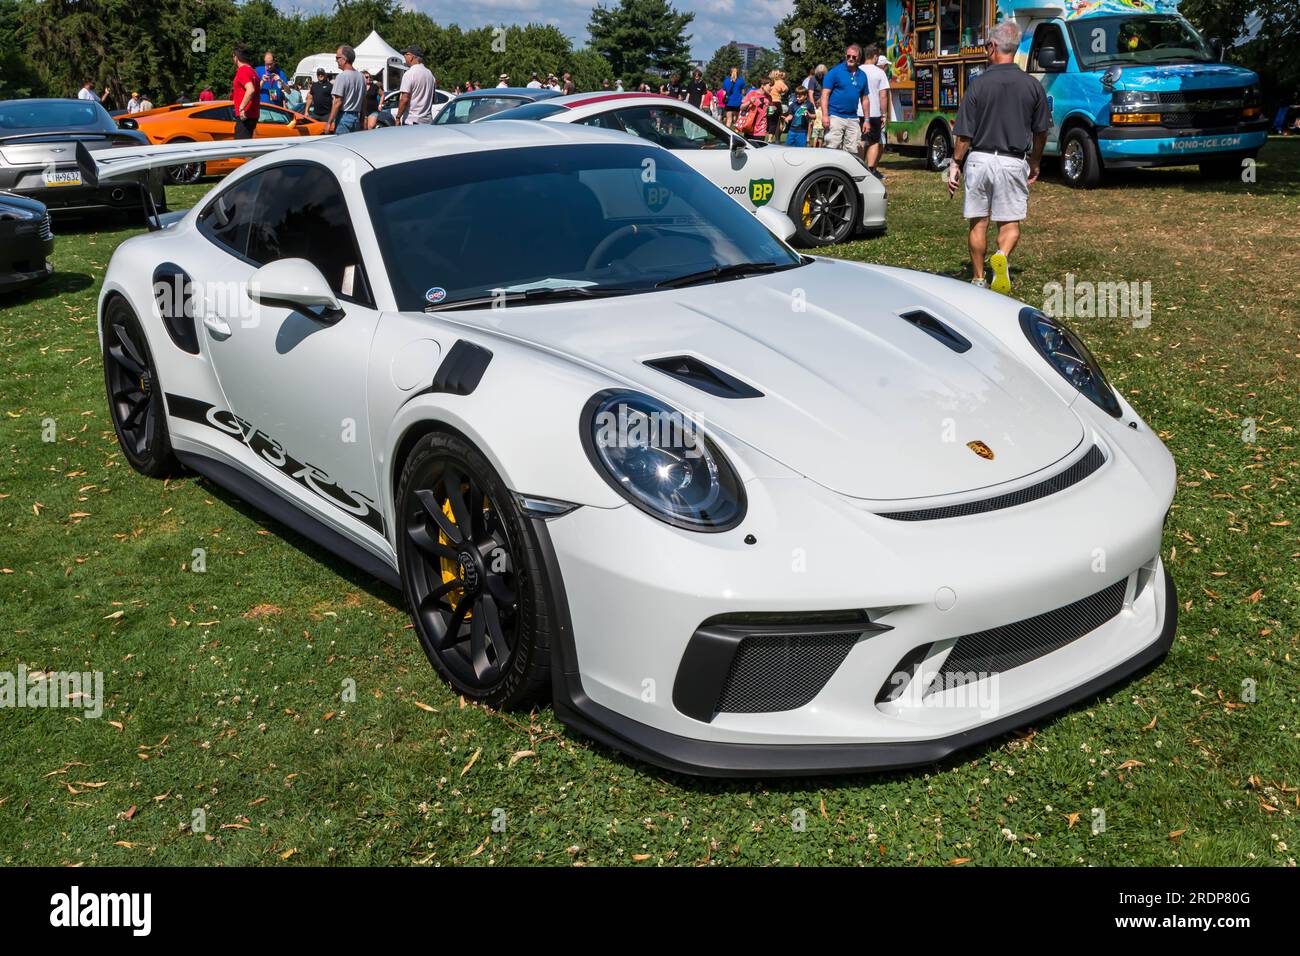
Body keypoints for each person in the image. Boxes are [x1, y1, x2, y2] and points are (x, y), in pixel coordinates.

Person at [947, 20, 1050, 293]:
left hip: (980, 158)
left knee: (978, 222)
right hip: (1012, 160)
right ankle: (1001, 257)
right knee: (1010, 223)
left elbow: (964, 137)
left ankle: (979, 278)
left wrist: (955, 163)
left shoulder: (977, 85)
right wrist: (1036, 161)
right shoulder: (1033, 86)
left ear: (992, 47)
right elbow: (1041, 132)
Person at [820, 44, 868, 154]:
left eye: (854, 57)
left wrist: (867, 120)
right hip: (835, 116)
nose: (851, 59)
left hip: (853, 118)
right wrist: (825, 116)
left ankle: (848, 171)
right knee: (832, 148)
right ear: (845, 56)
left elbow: (865, 99)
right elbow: (825, 95)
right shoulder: (834, 72)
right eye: (848, 56)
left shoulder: (862, 75)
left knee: (853, 150)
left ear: (859, 58)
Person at [862, 43, 891, 177]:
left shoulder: (857, 70)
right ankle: (871, 170)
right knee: (874, 142)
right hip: (874, 112)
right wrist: (884, 114)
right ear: (874, 57)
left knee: (861, 141)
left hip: (857, 112)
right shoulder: (880, 73)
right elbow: (883, 95)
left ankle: (858, 168)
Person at [395, 45, 437, 125]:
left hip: (412, 122)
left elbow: (404, 98)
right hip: (427, 122)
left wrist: (398, 117)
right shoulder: (430, 74)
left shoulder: (409, 74)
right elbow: (433, 99)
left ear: (411, 57)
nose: (404, 56)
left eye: (406, 54)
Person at [327, 45, 364, 135]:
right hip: (356, 118)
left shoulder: (342, 77)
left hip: (344, 117)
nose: (336, 60)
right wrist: (362, 119)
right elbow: (364, 101)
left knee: (340, 147)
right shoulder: (361, 77)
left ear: (344, 59)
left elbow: (337, 102)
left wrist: (329, 123)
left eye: (337, 57)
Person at [230, 46, 260, 139]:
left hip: (245, 115)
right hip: (253, 114)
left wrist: (241, 108)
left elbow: (250, 90)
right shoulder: (253, 71)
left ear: (236, 57)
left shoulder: (242, 71)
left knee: (240, 148)